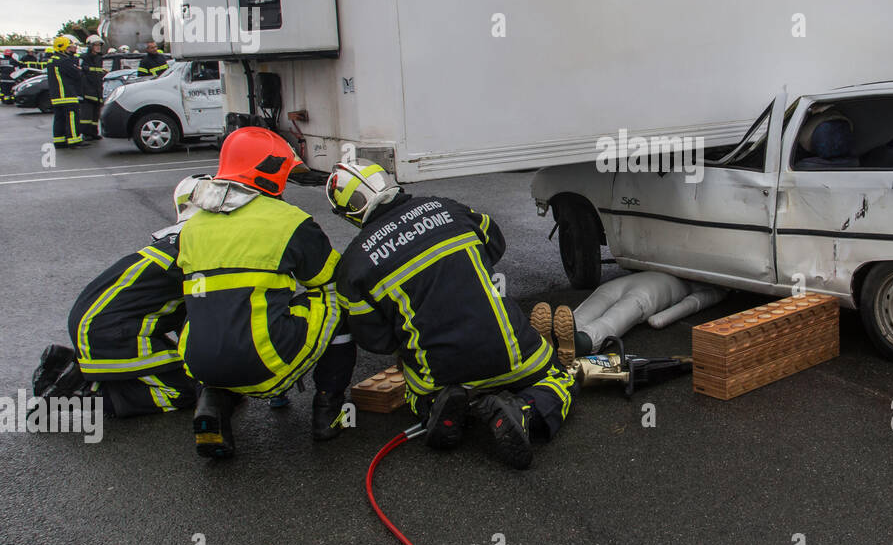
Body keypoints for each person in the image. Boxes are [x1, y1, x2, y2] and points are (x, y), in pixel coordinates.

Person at [326, 159, 575, 469]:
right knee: (559, 380)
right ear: (387, 182)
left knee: (415, 391)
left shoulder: (353, 266)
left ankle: (439, 409)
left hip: (440, 374)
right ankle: (524, 411)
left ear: (348, 213)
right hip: (511, 354)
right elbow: (495, 244)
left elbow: (376, 340)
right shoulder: (447, 208)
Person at [178, 127, 356, 458]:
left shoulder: (193, 224)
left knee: (215, 307)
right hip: (263, 360)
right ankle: (329, 410)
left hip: (197, 361)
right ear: (271, 170)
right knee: (337, 300)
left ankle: (213, 405)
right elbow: (330, 277)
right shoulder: (289, 221)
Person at [33, 177, 204, 416]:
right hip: (110, 331)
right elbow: (200, 317)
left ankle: (76, 370)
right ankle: (78, 393)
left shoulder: (173, 238)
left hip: (101, 323)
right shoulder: (198, 247)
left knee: (183, 369)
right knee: (180, 392)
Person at [532, 271, 726, 364]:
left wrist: (660, 318)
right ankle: (581, 341)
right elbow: (690, 306)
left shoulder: (672, 260)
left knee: (589, 309)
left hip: (629, 281)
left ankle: (557, 335)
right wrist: (660, 317)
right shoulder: (714, 287)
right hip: (648, 294)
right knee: (612, 320)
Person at [47, 35, 85, 149]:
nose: (70, 50)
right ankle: (74, 140)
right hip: (67, 94)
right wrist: (78, 70)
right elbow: (76, 74)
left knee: (59, 118)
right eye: (68, 48)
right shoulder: (64, 61)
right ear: (62, 48)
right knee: (72, 117)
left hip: (56, 96)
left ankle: (59, 141)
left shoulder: (51, 60)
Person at [78, 35, 106, 139]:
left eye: (99, 45)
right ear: (90, 46)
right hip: (87, 91)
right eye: (96, 45)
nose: (98, 47)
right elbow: (80, 74)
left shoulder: (99, 58)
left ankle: (93, 133)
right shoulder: (84, 58)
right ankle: (86, 133)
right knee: (87, 115)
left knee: (95, 115)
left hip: (97, 90)